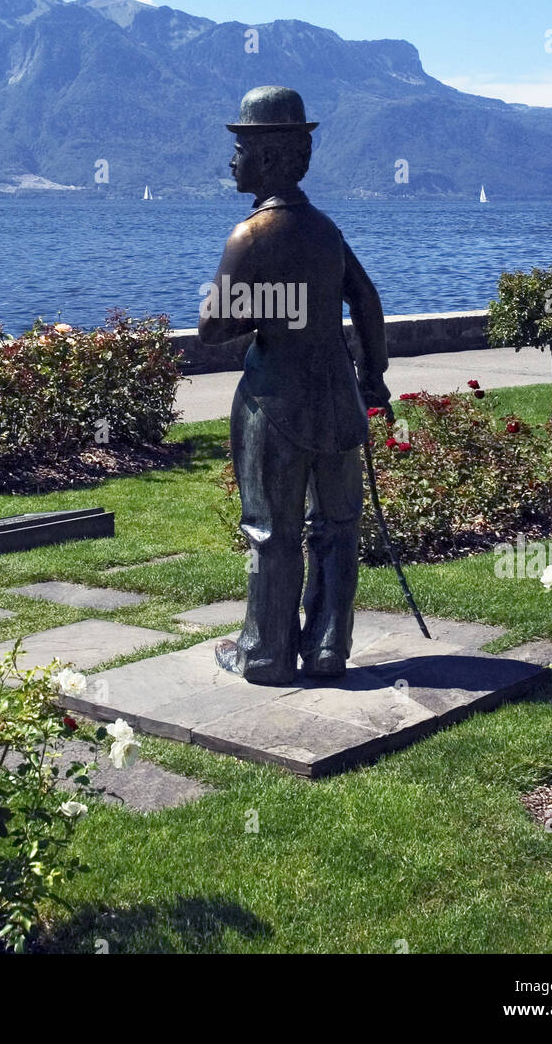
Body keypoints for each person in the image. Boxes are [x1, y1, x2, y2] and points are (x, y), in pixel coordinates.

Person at [198, 85, 391, 684]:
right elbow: (365, 299)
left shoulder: (249, 236)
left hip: (274, 402)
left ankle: (266, 653)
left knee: (271, 529)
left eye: (241, 147)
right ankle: (328, 647)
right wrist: (373, 377)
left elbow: (212, 327)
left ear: (273, 157)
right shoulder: (324, 229)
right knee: (337, 527)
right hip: (337, 399)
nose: (232, 161)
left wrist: (268, 306)